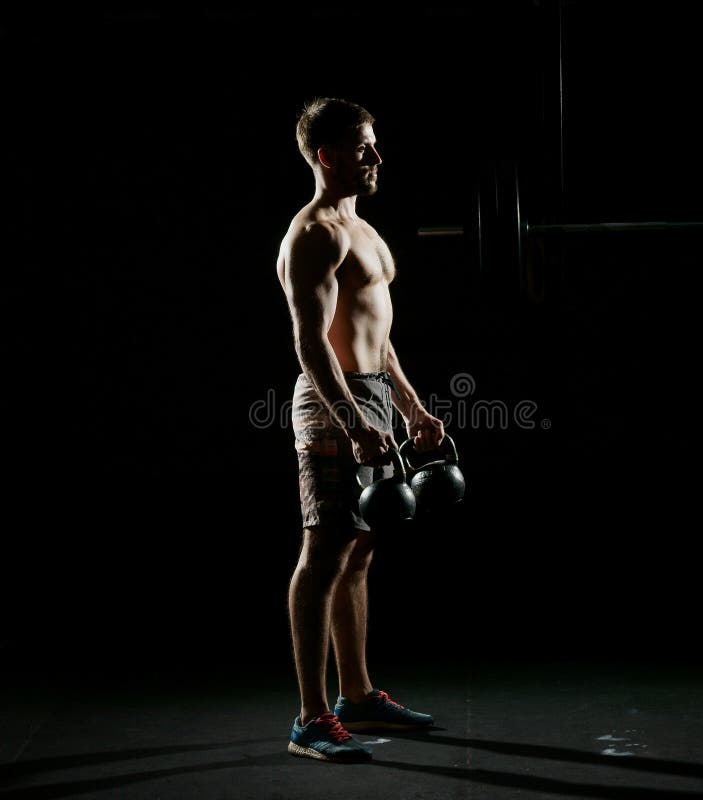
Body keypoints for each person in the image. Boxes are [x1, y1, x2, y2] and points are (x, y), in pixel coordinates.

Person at [276, 97, 446, 763]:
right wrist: (352, 423)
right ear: (327, 155)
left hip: (372, 400)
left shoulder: (365, 230)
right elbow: (311, 343)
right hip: (332, 406)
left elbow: (379, 336)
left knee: (361, 550)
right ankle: (311, 719)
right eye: (363, 148)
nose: (377, 158)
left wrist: (411, 407)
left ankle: (357, 694)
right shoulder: (315, 233)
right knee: (323, 556)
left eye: (375, 146)